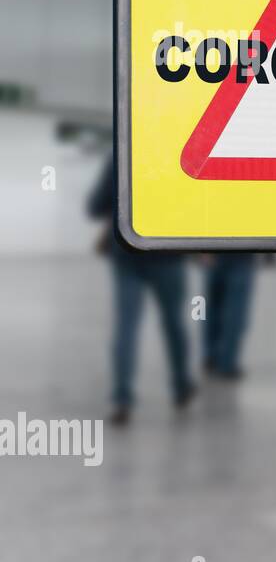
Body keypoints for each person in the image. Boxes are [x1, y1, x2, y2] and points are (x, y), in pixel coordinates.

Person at [87, 156, 194, 426]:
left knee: (126, 326)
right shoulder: (174, 155)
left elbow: (95, 206)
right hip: (168, 252)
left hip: (126, 253)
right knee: (173, 323)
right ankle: (181, 386)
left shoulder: (119, 156)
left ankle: (122, 398)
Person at [203, 253, 257, 380]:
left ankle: (211, 355)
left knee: (212, 307)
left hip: (213, 250)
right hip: (242, 253)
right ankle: (227, 362)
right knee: (235, 310)